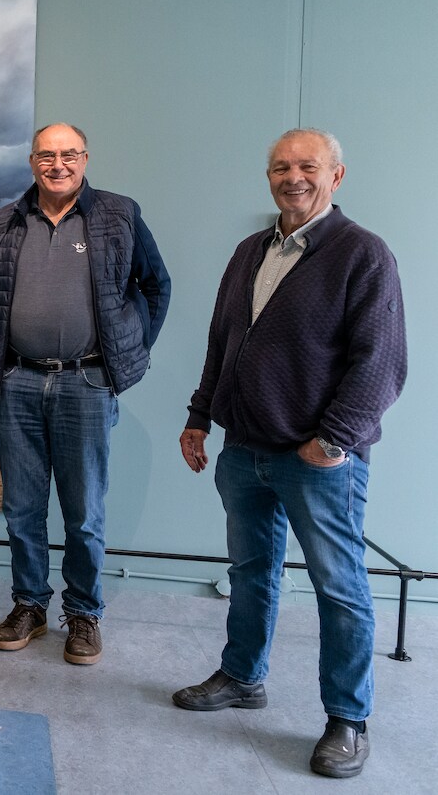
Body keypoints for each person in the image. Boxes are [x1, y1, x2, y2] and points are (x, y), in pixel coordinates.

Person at [173, 128, 406, 779]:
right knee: (251, 573)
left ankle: (349, 720)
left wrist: (333, 438)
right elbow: (224, 344)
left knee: (340, 588)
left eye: (308, 165)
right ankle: (243, 677)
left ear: (337, 176)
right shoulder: (251, 251)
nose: (293, 176)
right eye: (280, 166)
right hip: (244, 449)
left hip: (319, 459)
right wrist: (199, 418)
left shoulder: (364, 255)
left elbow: (381, 363)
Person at [0, 123, 170, 665]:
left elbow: (156, 285)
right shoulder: (5, 223)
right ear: (32, 162)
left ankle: (83, 613)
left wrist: (129, 346)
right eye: (47, 155)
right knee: (21, 508)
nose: (58, 165)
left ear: (85, 158)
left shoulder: (118, 215)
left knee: (84, 512)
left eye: (68, 154)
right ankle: (28, 603)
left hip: (87, 383)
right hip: (17, 383)